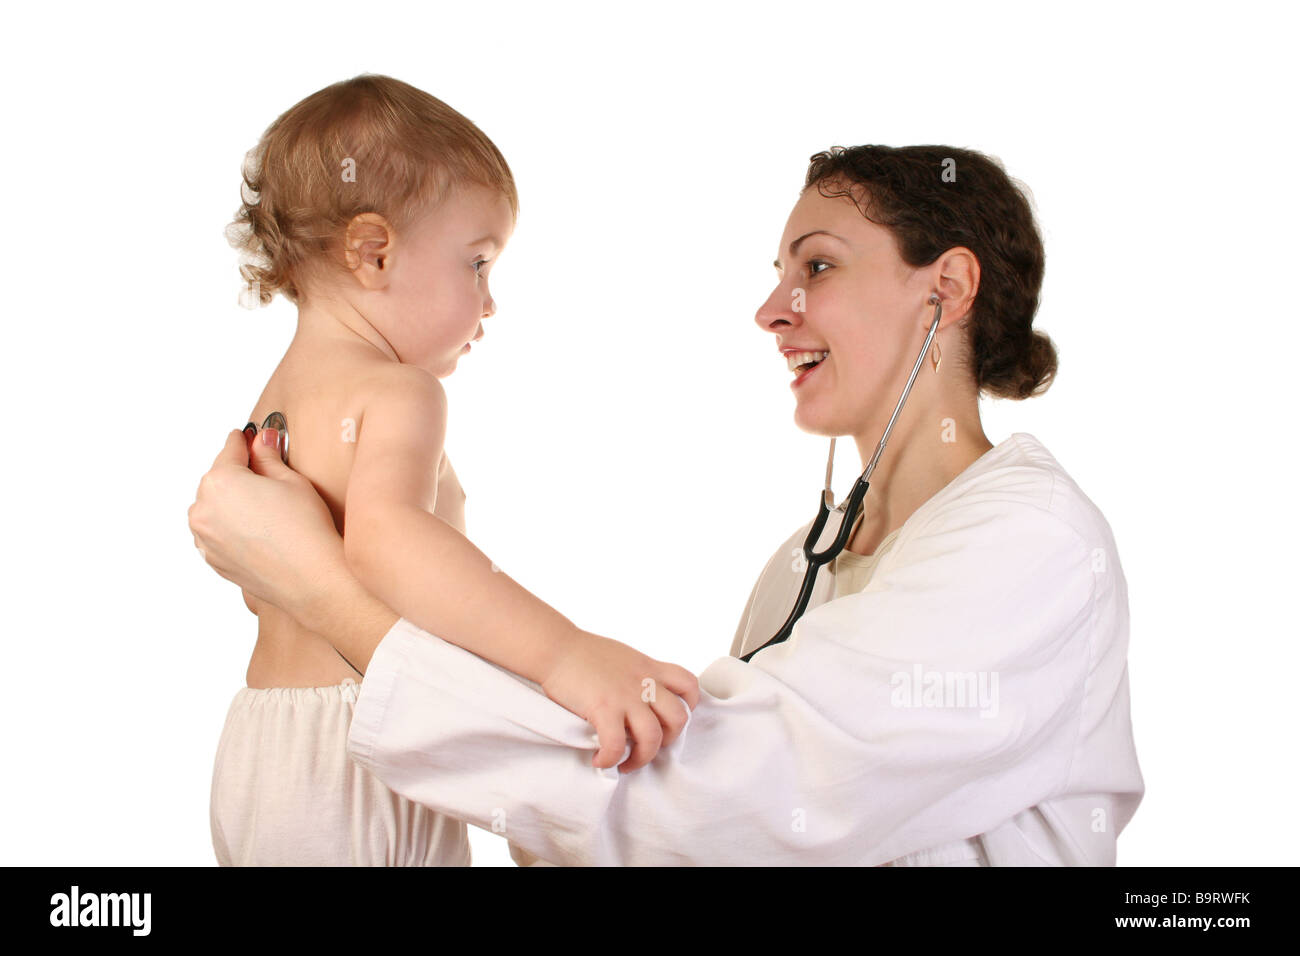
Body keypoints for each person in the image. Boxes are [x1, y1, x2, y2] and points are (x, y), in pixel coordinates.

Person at [190, 144, 1144, 866]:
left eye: (817, 267)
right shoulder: (803, 563)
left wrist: (327, 598)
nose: (772, 309)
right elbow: (643, 813)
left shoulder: (1031, 543)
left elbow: (709, 813)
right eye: (778, 274)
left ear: (948, 288)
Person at [206, 74, 697, 868]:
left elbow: (268, 580)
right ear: (373, 252)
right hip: (360, 748)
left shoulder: (278, 401)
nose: (490, 300)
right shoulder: (401, 391)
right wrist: (566, 656)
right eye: (476, 264)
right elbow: (385, 543)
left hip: (261, 742)